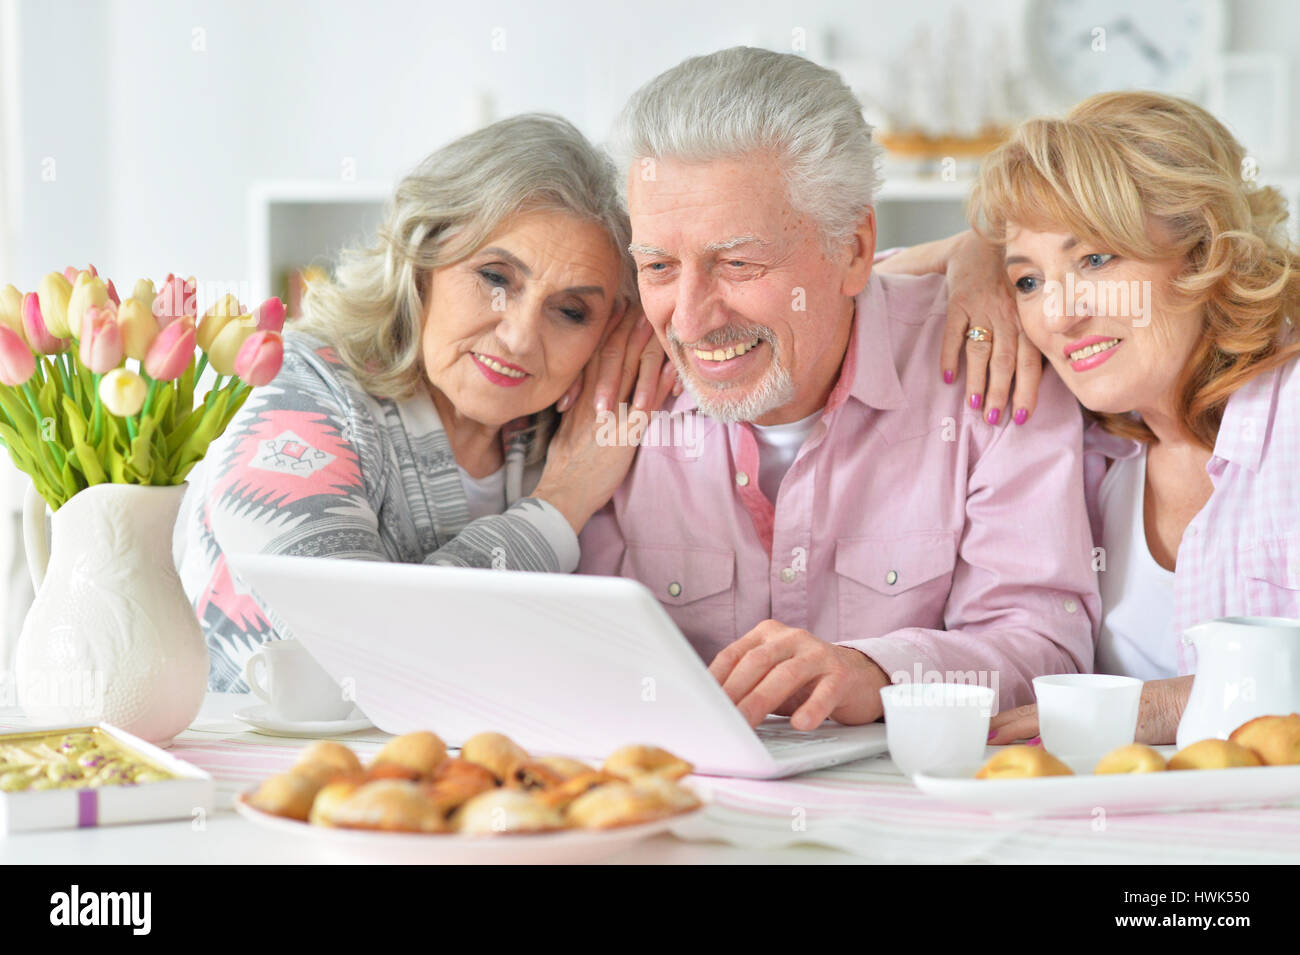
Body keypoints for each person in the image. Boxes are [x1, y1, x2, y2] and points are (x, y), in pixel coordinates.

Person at [577, 47, 1102, 730]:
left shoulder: (990, 361)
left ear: (853, 251)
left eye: (737, 262)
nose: (689, 318)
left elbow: (1049, 646)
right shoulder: (617, 380)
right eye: (657, 265)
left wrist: (879, 673)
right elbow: (578, 642)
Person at [179, 114, 675, 691]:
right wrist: (562, 503)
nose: (519, 337)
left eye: (570, 312)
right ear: (422, 258)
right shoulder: (298, 392)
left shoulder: (557, 427)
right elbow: (352, 663)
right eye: (495, 277)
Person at [947, 91, 1300, 745]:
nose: (1058, 315)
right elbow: (841, 284)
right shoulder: (1085, 442)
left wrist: (1162, 708)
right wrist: (964, 261)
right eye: (1027, 281)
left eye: (1095, 259)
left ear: (1204, 248)